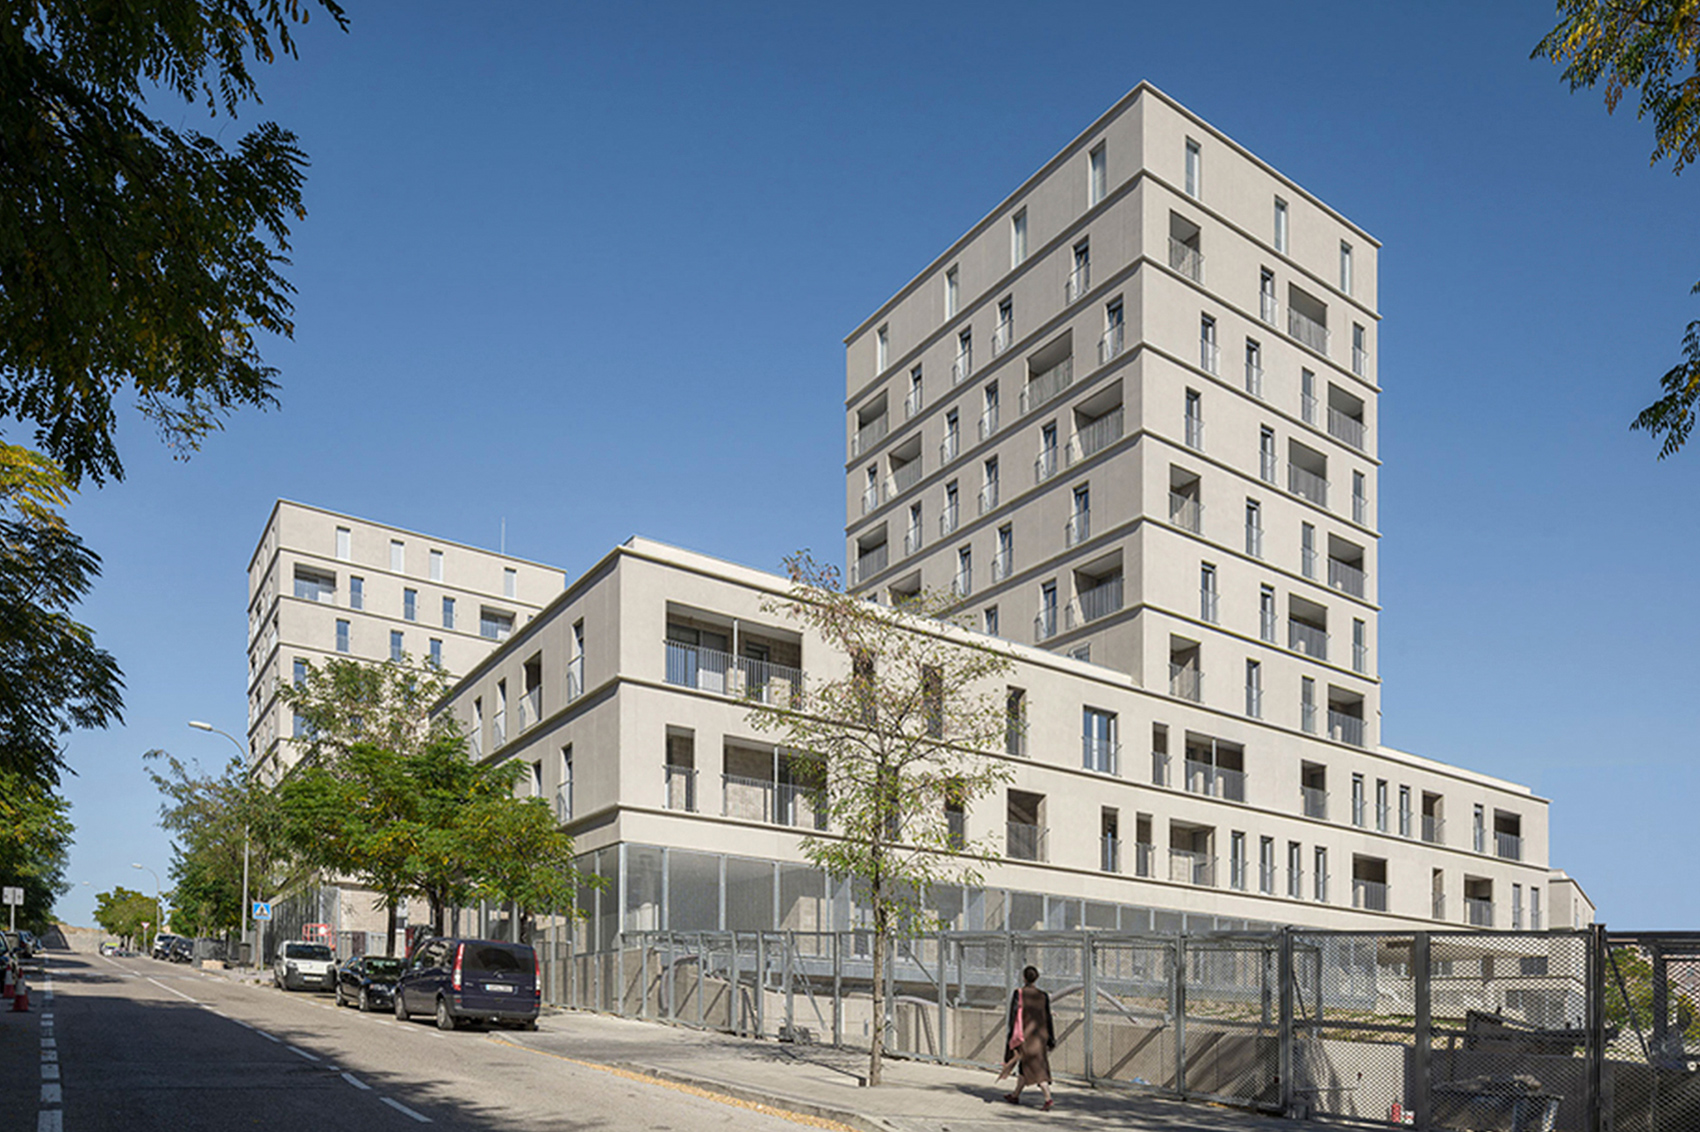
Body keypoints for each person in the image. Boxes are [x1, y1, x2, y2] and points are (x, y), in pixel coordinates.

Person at [999, 965, 1055, 1110]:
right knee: (1025, 1067)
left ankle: (1048, 1098)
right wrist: (1051, 1038)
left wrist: (1010, 1035)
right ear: (1036, 978)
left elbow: (1013, 1016)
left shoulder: (1019, 993)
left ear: (1024, 977)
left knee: (1037, 1068)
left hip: (1025, 1036)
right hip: (1040, 1036)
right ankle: (1015, 1095)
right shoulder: (1043, 996)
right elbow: (1048, 1017)